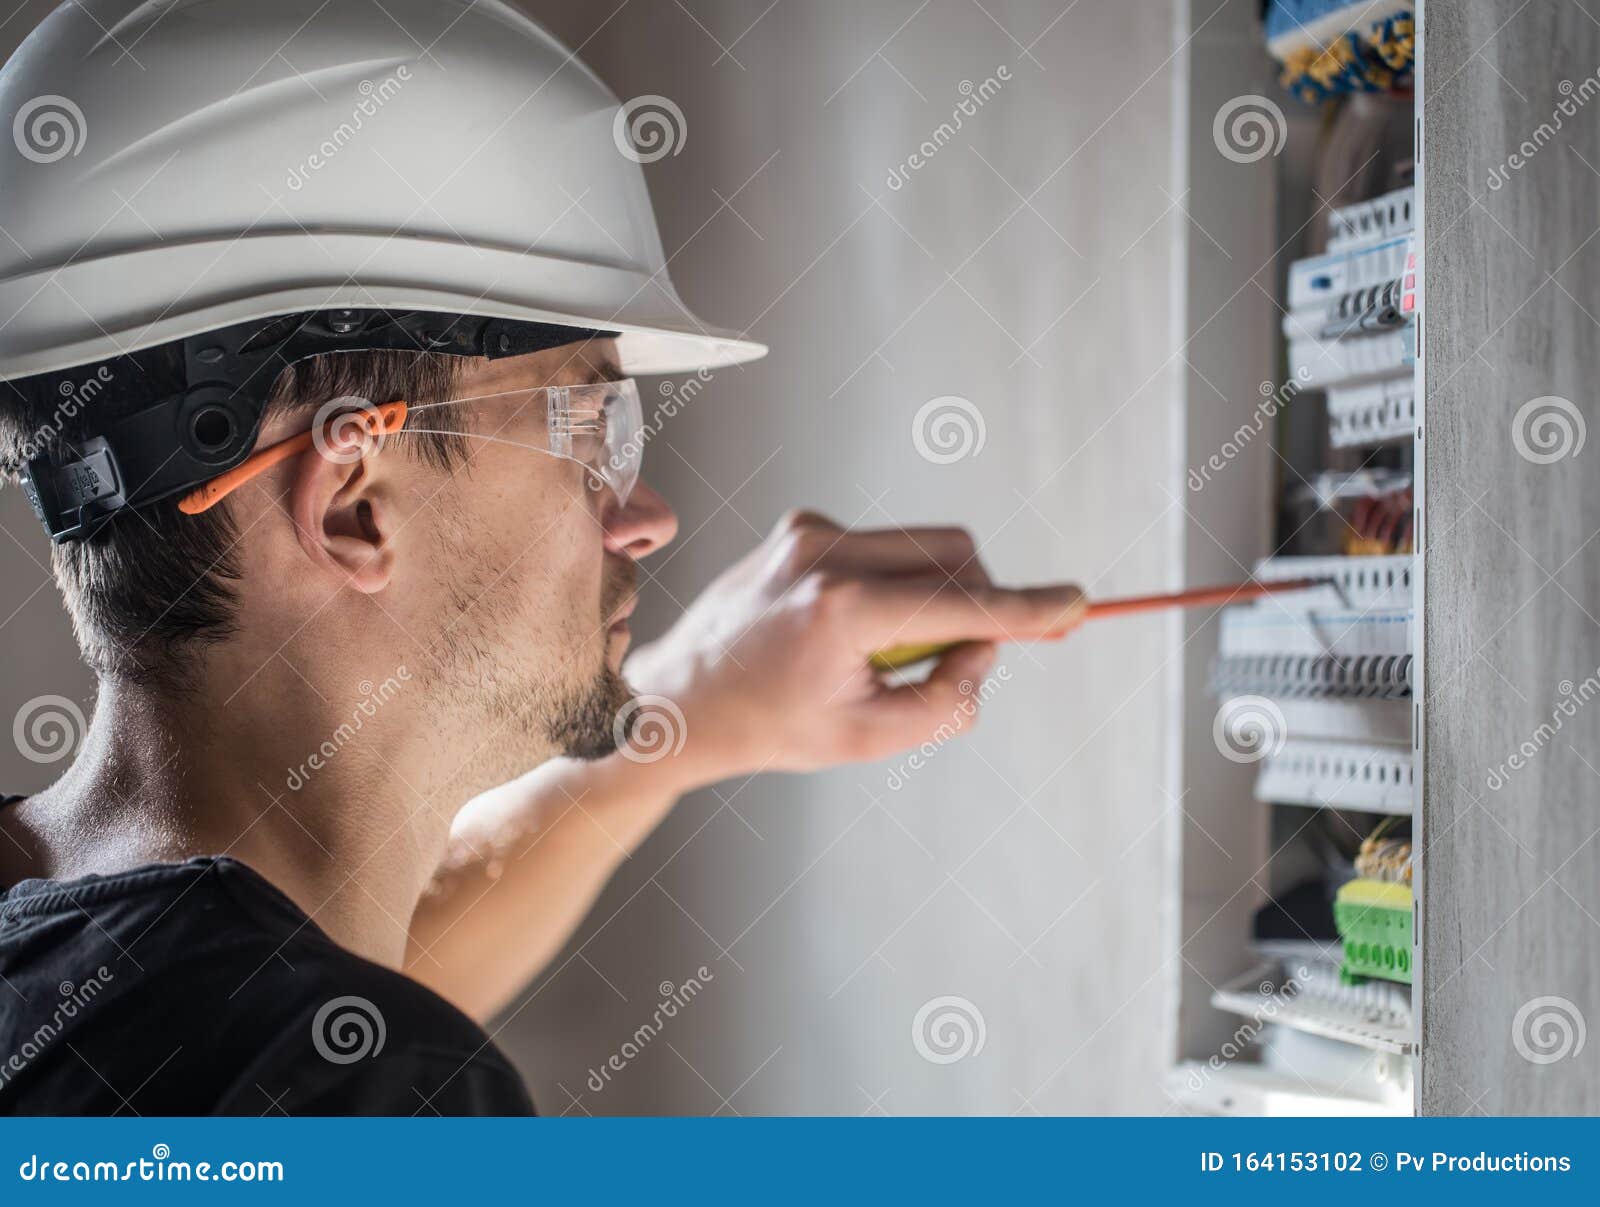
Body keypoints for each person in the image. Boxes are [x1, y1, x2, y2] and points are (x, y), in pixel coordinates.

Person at [0, 0, 1084, 1114]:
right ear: (354, 508)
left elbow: (264, 1008)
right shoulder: (376, 1092)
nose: (645, 517)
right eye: (593, 429)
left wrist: (692, 712)